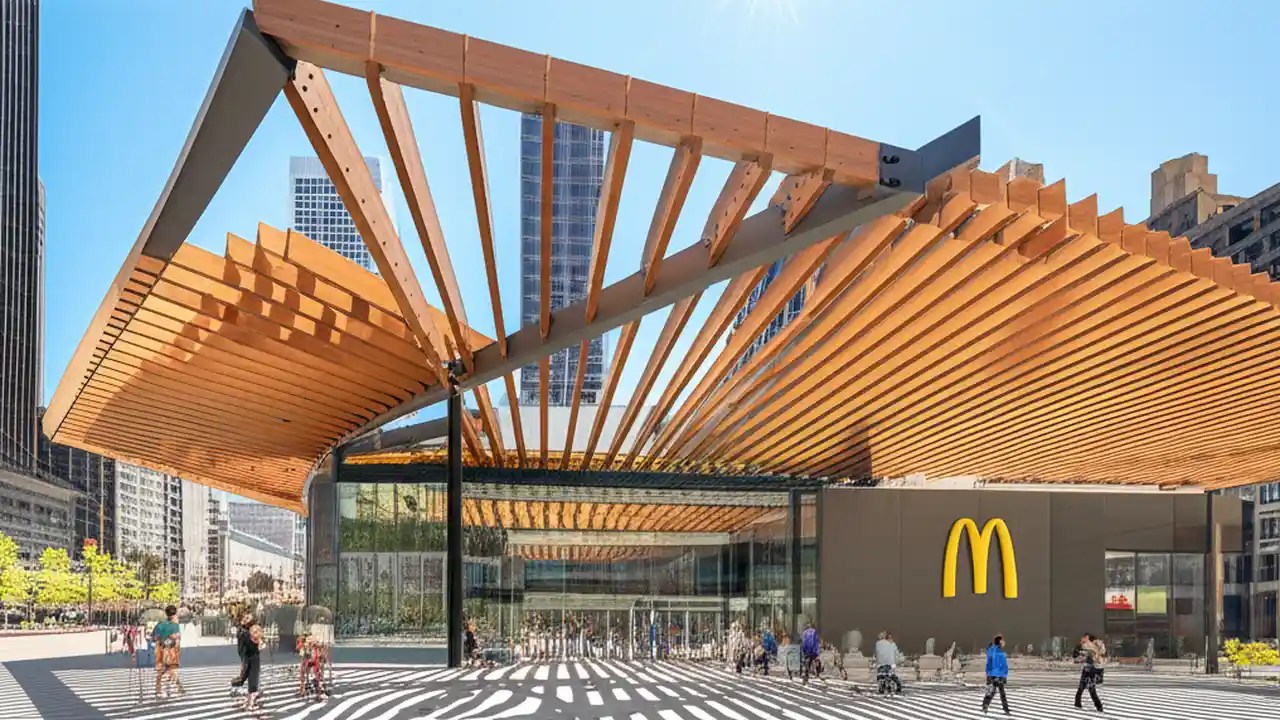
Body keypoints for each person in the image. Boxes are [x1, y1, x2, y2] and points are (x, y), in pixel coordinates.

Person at [151, 605, 185, 700]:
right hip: (172, 651)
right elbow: (177, 638)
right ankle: (179, 687)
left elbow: (154, 638)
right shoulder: (175, 626)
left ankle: (158, 690)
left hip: (160, 650)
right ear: (174, 614)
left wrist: (161, 640)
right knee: (172, 669)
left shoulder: (160, 624)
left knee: (160, 670)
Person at [1073, 633, 1104, 712]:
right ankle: (1098, 706)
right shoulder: (1093, 645)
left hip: (1090, 669)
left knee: (1087, 688)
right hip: (1091, 669)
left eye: (1083, 638)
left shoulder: (1090, 645)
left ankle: (1098, 706)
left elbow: (1095, 656)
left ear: (1087, 637)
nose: (1081, 640)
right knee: (1087, 688)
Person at [981, 634, 1011, 715]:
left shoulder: (991, 650)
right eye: (1002, 640)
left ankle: (985, 705)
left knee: (991, 691)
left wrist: (988, 673)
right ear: (1000, 642)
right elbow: (1003, 665)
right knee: (1002, 693)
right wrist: (1004, 674)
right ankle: (1006, 709)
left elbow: (989, 663)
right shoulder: (1000, 652)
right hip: (999, 675)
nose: (1004, 642)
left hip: (991, 674)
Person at [230, 612, 254, 695]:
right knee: (245, 668)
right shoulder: (242, 630)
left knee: (246, 668)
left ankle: (238, 683)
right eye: (246, 618)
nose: (247, 619)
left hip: (245, 652)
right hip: (245, 652)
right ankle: (237, 684)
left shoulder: (244, 629)